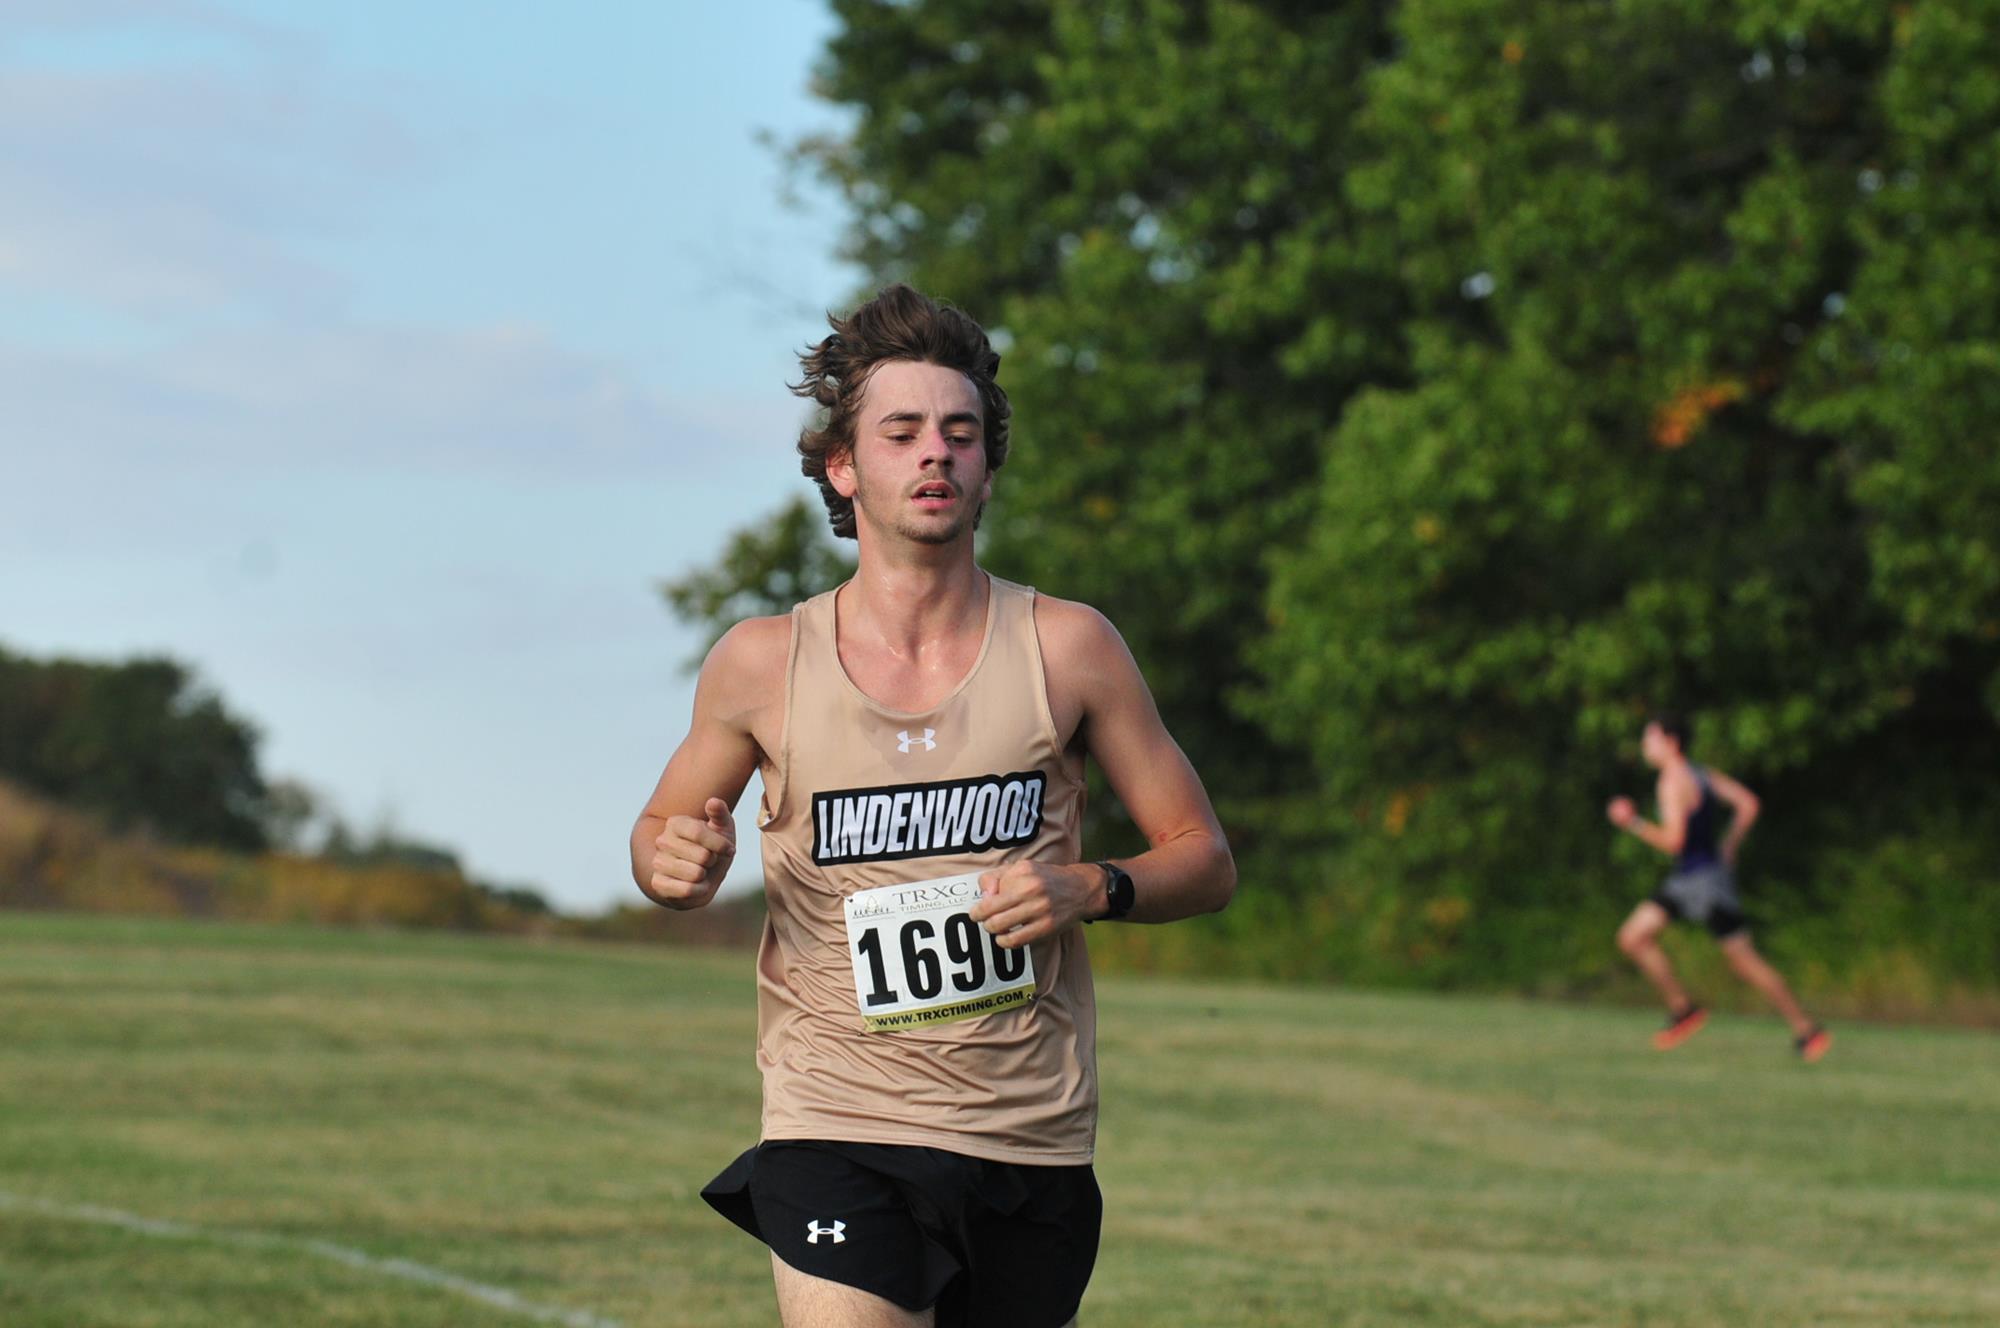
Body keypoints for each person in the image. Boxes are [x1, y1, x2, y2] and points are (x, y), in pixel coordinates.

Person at [630, 284, 1236, 1328]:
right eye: (900, 431)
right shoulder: (759, 663)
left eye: (959, 433)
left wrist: (1088, 885)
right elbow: (661, 837)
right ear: (841, 464)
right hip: (835, 1115)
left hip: (1027, 1134)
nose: (934, 454)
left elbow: (1203, 858)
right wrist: (671, 861)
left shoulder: (1068, 647)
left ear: (987, 465)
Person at [1606, 713, 1830, 1061]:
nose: (1644, 746)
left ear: (1671, 742)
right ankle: (1684, 1010)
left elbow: (1674, 841)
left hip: (1705, 883)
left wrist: (1632, 822)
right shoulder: (1701, 773)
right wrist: (1729, 845)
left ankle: (1807, 1030)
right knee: (1633, 936)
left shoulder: (1671, 782)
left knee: (1744, 962)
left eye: (1649, 739)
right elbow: (1749, 804)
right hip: (1690, 879)